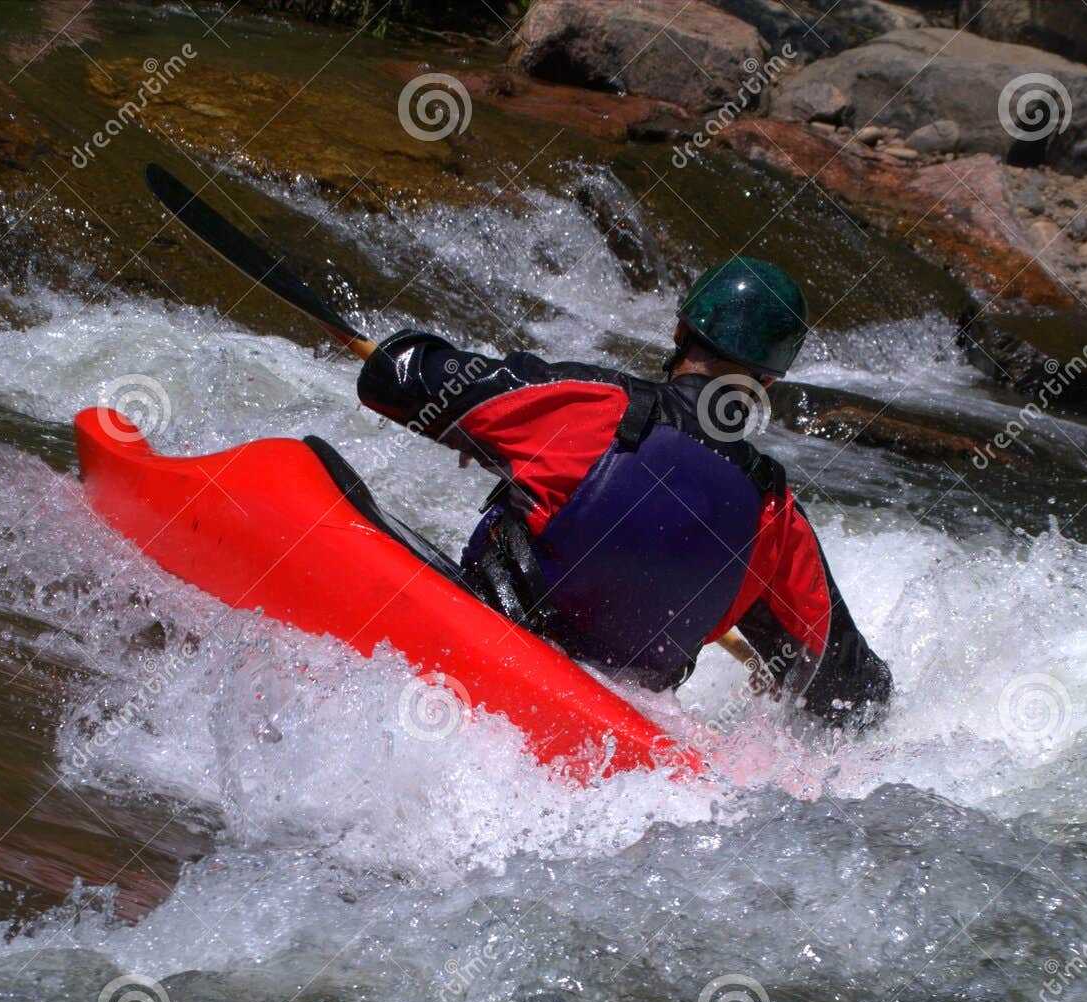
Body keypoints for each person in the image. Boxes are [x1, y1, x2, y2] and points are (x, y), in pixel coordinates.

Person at [356, 257, 891, 729]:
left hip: (476, 658)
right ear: (768, 384)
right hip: (605, 730)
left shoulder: (592, 407)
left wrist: (463, 413)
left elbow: (397, 381)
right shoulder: (773, 517)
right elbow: (846, 688)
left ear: (680, 330)